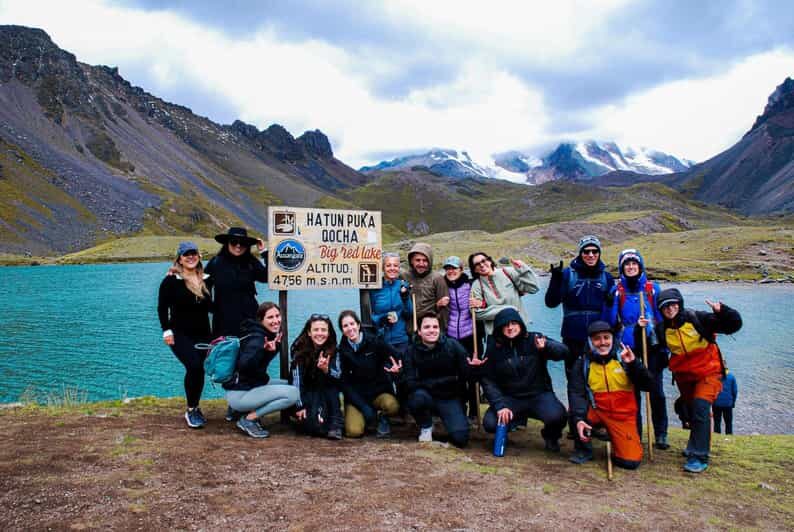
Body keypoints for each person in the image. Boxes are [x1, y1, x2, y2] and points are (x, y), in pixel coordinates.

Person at [641, 288, 742, 472]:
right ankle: (693, 446)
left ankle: (699, 456)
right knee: (690, 410)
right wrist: (640, 331)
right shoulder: (662, 329)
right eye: (665, 307)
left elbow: (733, 325)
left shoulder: (698, 319)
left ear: (679, 304)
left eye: (673, 304)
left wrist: (723, 311)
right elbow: (651, 351)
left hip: (709, 372)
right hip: (684, 377)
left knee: (701, 406)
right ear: (660, 310)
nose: (670, 309)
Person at [544, 235, 614, 450]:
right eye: (586, 251)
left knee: (598, 381)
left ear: (599, 253)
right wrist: (555, 280)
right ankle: (576, 426)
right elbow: (551, 302)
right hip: (573, 337)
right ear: (580, 253)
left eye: (594, 251)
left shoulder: (607, 277)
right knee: (575, 381)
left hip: (599, 338)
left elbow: (612, 308)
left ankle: (598, 422)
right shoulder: (568, 275)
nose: (591, 255)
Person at [481, 308, 569, 452]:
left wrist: (547, 347)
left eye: (513, 323)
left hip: (539, 395)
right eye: (505, 325)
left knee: (558, 416)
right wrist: (500, 405)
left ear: (521, 324)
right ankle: (507, 430)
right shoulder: (494, 349)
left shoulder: (535, 339)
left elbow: (564, 352)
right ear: (499, 328)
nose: (510, 328)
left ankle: (551, 437)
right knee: (490, 423)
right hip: (511, 398)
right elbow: (488, 380)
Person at [568, 321, 654, 469]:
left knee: (630, 462)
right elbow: (576, 394)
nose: (602, 343)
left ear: (613, 339)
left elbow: (648, 385)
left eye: (606, 337)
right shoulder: (582, 363)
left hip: (623, 416)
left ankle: (615, 438)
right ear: (590, 342)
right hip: (597, 411)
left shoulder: (625, 358)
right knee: (574, 413)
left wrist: (634, 365)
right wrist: (579, 419)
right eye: (597, 339)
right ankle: (584, 449)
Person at [607, 248, 669, 450]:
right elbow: (610, 321)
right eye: (627, 264)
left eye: (634, 263)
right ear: (622, 268)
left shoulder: (652, 289)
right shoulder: (618, 291)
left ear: (640, 266)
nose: (631, 267)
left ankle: (661, 433)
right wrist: (610, 302)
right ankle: (636, 431)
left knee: (656, 391)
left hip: (650, 345)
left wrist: (663, 347)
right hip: (628, 346)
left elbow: (662, 320)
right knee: (632, 392)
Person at [403, 312, 485, 447]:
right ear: (419, 331)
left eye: (435, 327)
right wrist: (448, 381)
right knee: (415, 399)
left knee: (461, 439)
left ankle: (451, 420)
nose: (432, 330)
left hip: (449, 398)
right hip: (425, 396)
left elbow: (467, 377)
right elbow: (410, 383)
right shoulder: (411, 351)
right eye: (427, 327)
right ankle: (426, 426)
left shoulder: (453, 346)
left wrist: (475, 369)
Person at [224, 302, 300, 438]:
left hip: (245, 388)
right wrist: (262, 350)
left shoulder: (262, 334)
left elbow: (256, 369)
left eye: (277, 316)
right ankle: (248, 419)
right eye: (270, 317)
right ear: (261, 320)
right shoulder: (257, 339)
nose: (276, 320)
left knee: (292, 384)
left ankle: (236, 411)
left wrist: (269, 351)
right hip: (241, 394)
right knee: (293, 393)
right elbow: (244, 367)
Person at [157, 241, 213, 428]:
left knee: (199, 369)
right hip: (179, 334)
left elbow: (212, 307)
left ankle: (195, 407)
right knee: (194, 366)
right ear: (179, 259)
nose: (190, 257)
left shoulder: (207, 279)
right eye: (186, 254)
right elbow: (162, 308)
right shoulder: (171, 281)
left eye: (193, 253)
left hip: (204, 334)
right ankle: (191, 410)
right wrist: (166, 331)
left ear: (199, 256)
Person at [337, 310, 402, 438]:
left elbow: (396, 356)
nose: (350, 328)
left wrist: (396, 370)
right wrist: (363, 406)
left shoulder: (375, 340)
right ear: (342, 330)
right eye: (345, 326)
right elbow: (344, 383)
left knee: (392, 405)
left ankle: (382, 417)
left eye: (352, 324)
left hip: (378, 392)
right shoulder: (342, 351)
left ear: (358, 325)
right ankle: (367, 417)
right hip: (357, 397)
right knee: (353, 431)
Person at [204, 227, 268, 338]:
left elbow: (267, 277)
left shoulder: (251, 262)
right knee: (226, 353)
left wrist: (264, 252)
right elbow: (203, 285)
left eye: (242, 243)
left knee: (250, 352)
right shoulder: (215, 263)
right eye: (234, 242)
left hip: (249, 320)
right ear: (227, 244)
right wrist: (211, 307)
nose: (238, 246)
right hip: (223, 322)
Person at [289, 314, 344, 439]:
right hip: (305, 394)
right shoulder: (299, 350)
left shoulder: (334, 350)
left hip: (326, 392)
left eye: (324, 330)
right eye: (316, 330)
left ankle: (336, 423)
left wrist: (326, 370)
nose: (320, 333)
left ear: (329, 333)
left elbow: (339, 377)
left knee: (331, 386)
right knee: (313, 427)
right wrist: (300, 405)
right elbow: (296, 382)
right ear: (309, 332)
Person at [442, 256, 482, 422]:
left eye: (454, 268)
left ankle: (474, 411)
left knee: (472, 374)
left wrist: (481, 303)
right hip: (451, 337)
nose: (451, 271)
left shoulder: (472, 284)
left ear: (461, 269)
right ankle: (459, 408)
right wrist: (439, 304)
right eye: (448, 268)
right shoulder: (442, 286)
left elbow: (484, 300)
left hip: (470, 335)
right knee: (455, 375)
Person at [468, 252, 539, 336]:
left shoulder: (508, 272)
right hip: (496, 335)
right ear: (475, 269)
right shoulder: (477, 285)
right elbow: (476, 313)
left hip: (519, 329)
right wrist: (508, 309)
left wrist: (523, 270)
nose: (482, 265)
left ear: (490, 261)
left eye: (483, 261)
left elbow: (533, 289)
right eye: (477, 264)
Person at [369, 252, 413, 355]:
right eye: (388, 265)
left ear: (399, 268)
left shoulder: (403, 285)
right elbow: (369, 315)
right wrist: (382, 319)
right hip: (382, 340)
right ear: (383, 268)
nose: (392, 268)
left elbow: (409, 313)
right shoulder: (375, 288)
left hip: (401, 339)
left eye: (395, 265)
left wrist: (405, 297)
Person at [402, 243, 449, 334]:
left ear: (430, 261)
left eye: (425, 260)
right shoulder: (404, 276)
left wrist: (442, 331)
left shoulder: (437, 278)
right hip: (407, 329)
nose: (421, 264)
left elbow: (444, 308)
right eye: (417, 260)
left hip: (429, 330)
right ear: (411, 261)